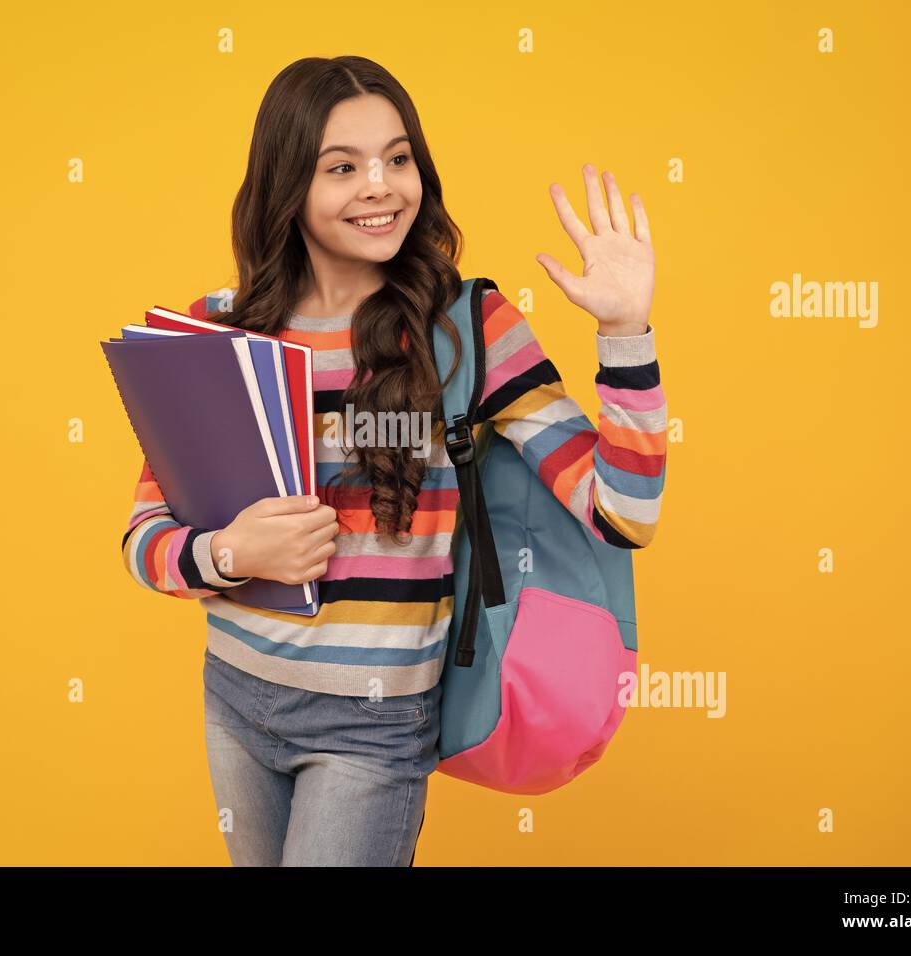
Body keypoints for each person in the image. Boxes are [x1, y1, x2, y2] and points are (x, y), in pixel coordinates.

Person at [120, 55, 666, 866]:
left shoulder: (466, 326)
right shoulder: (220, 329)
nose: (381, 186)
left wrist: (625, 334)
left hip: (372, 724)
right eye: (342, 167)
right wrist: (234, 553)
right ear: (287, 187)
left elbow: (623, 511)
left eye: (398, 157)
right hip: (234, 697)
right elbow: (144, 541)